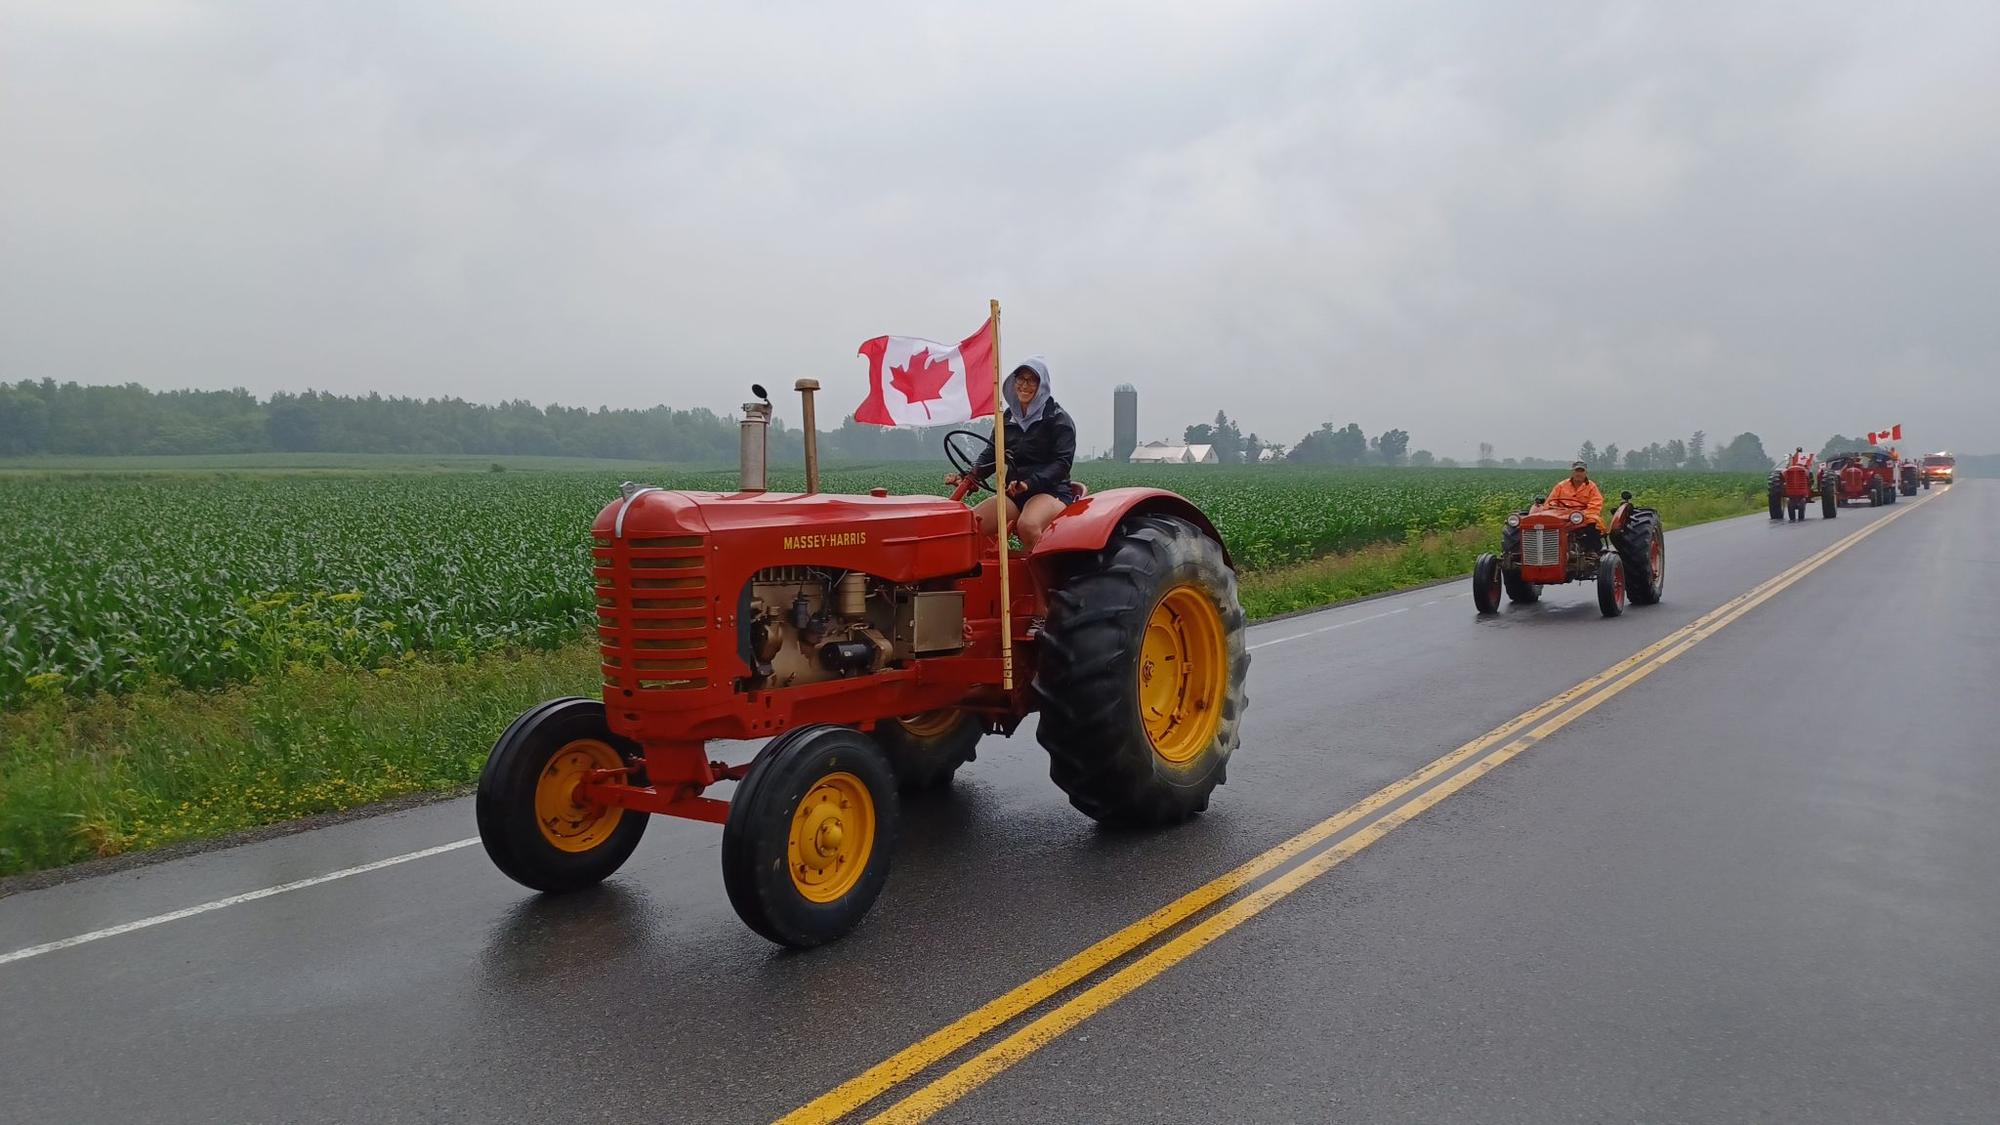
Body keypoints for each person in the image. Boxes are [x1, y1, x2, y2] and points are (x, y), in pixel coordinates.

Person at [945, 357, 1076, 550]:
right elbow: (992, 453)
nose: (1024, 385)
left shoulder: (1058, 420)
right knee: (970, 525)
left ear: (1042, 385)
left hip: (1049, 492)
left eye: (1031, 380)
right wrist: (970, 475)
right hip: (1013, 494)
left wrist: (1028, 484)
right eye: (1020, 379)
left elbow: (1061, 464)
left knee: (1028, 526)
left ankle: (1049, 578)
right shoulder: (1007, 418)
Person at [1545, 459, 1606, 552]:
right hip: (1563, 515)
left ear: (1586, 473)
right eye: (1577, 471)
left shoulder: (1591, 487)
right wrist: (1554, 507)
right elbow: (1550, 502)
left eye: (1582, 471)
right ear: (1572, 472)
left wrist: (1582, 514)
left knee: (1593, 522)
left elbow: (1595, 504)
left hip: (1582, 516)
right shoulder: (1561, 486)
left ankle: (1592, 550)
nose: (1579, 473)